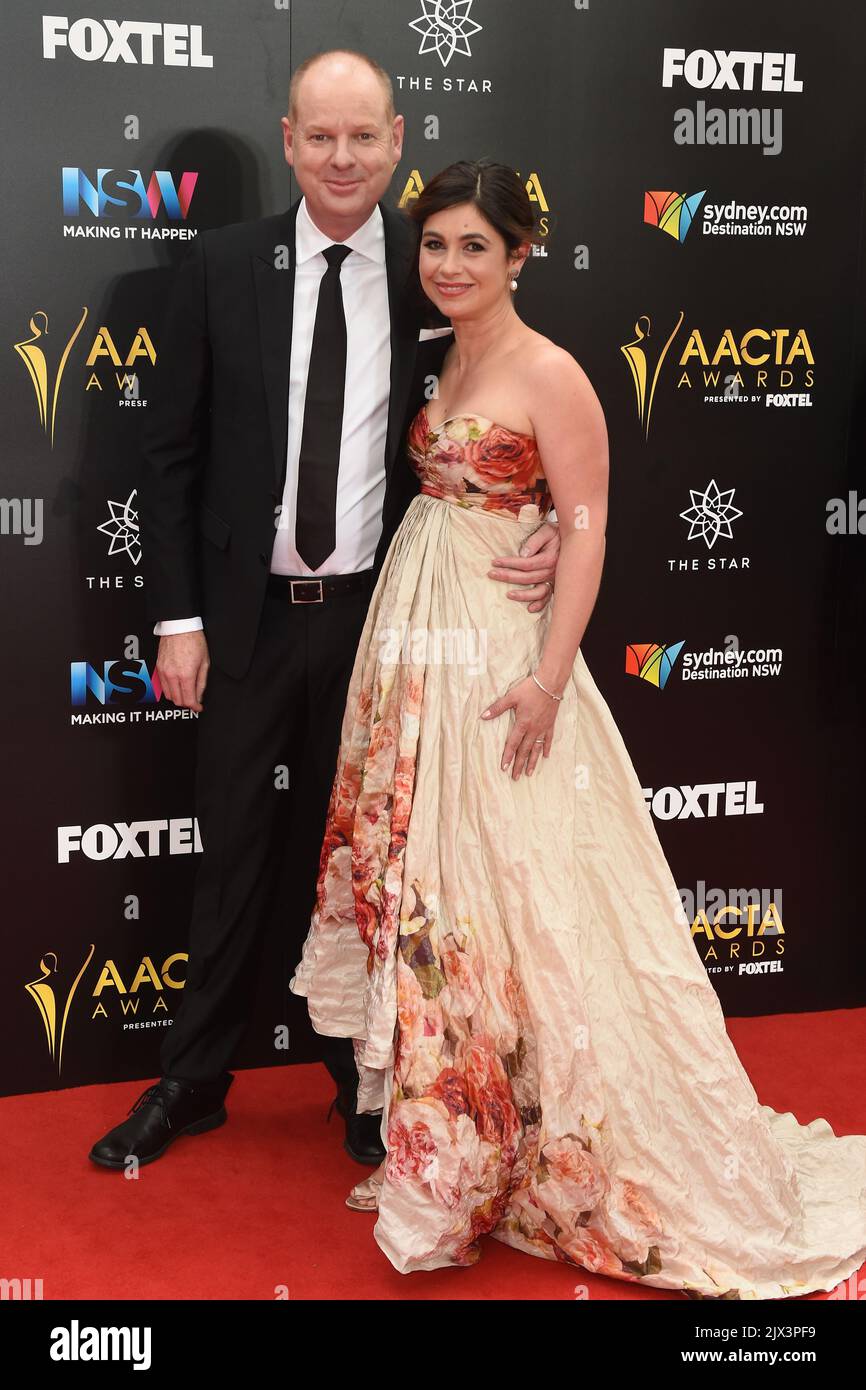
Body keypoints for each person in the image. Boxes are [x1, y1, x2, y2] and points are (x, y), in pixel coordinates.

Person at [290, 158, 866, 1297]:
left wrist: (549, 680)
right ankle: (468, 1137)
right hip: (419, 640)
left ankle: (543, 1143)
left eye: (474, 246)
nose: (449, 265)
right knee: (442, 884)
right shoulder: (442, 355)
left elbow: (590, 526)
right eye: (434, 244)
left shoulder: (551, 371)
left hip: (503, 658)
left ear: (519, 254)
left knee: (517, 884)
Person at [88, 53, 559, 1172]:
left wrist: (541, 511)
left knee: (371, 861)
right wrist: (177, 621)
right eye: (320, 137)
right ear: (290, 140)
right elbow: (168, 459)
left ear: (396, 140)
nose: (341, 159)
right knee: (231, 852)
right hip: (244, 619)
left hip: (381, 623)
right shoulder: (219, 266)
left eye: (362, 137)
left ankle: (365, 1081)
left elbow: (514, 397)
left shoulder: (435, 268)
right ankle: (193, 1080)